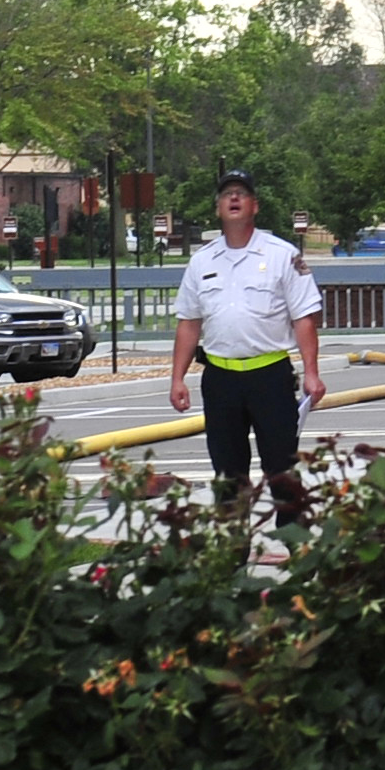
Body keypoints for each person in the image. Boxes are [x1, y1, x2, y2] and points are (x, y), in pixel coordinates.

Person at [167, 170, 324, 530]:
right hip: (221, 379)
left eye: (241, 193)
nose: (233, 199)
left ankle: (293, 544)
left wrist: (311, 372)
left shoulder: (283, 256)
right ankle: (233, 552)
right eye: (227, 195)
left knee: (281, 468)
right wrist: (177, 378)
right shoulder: (202, 262)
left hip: (270, 377)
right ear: (219, 207)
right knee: (228, 472)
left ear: (255, 205)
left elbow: (304, 318)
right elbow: (189, 323)